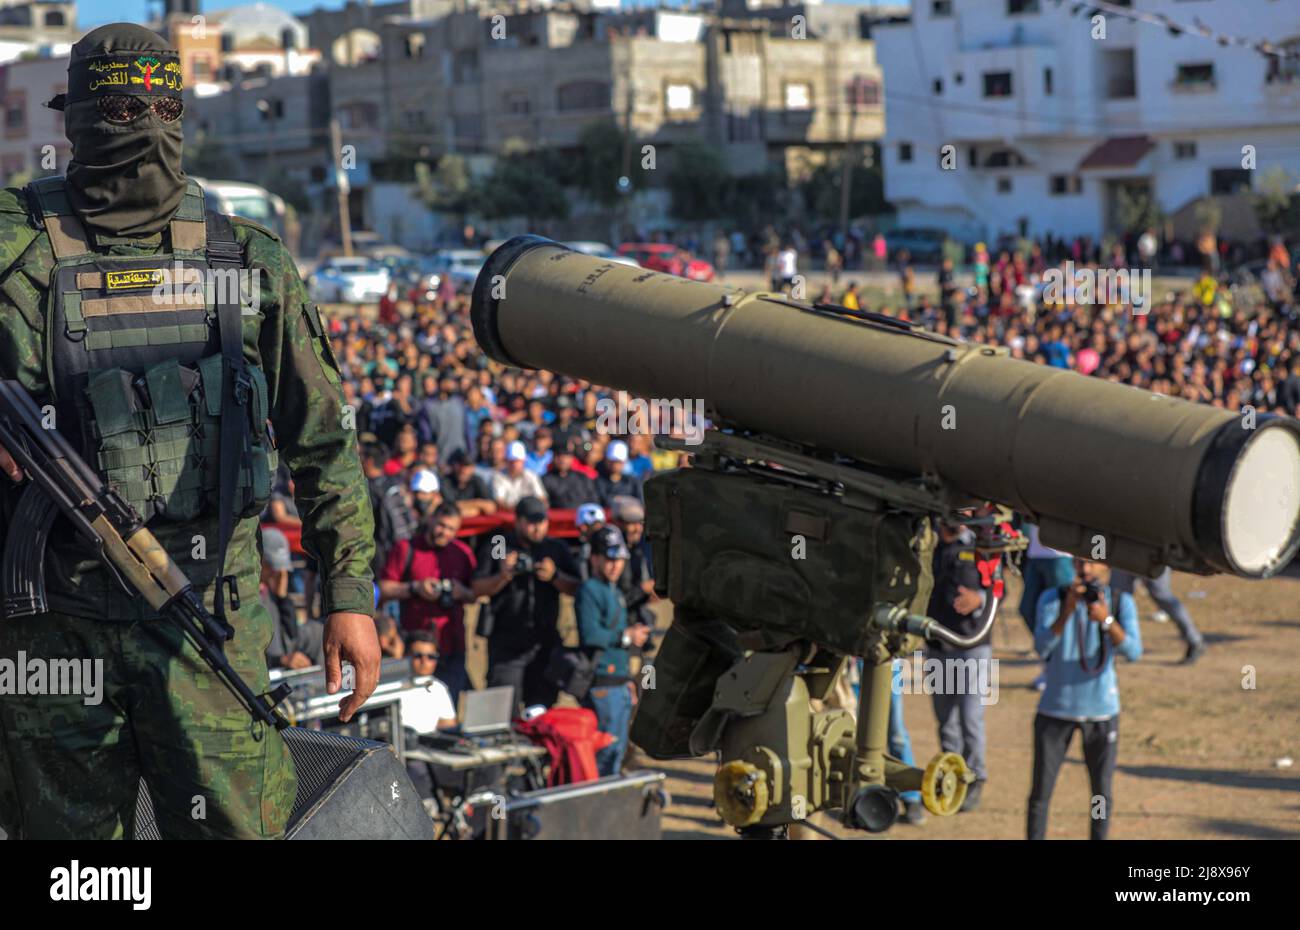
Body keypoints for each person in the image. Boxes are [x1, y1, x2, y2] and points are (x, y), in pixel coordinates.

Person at [0, 24, 379, 840]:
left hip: (207, 616)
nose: (136, 128)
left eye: (153, 109)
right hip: (51, 627)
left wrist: (348, 596)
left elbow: (324, 440)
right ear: (74, 122)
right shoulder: (11, 246)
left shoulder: (246, 259)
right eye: (119, 110)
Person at [1028, 558, 1142, 840]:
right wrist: (1066, 612)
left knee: (1100, 794)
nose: (1086, 570)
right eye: (1079, 563)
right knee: (1041, 792)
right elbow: (1041, 647)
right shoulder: (1052, 597)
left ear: (1108, 567)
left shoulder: (1119, 601)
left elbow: (1133, 651)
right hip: (1056, 708)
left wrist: (1106, 619)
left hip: (1101, 711)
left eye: (1093, 564)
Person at [474, 496, 580, 711]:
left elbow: (578, 588)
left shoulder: (555, 547)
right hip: (506, 644)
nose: (537, 528)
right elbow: (477, 588)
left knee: (541, 711)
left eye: (542, 521)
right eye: (531, 522)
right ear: (518, 521)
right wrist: (503, 575)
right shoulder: (499, 543)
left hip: (544, 643)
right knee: (500, 709)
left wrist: (554, 576)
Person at [378, 502, 482, 705]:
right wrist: (416, 588)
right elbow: (384, 588)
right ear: (432, 520)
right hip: (414, 648)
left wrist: (461, 592)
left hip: (452, 644)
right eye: (441, 525)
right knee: (413, 709)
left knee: (448, 707)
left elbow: (474, 594)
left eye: (452, 529)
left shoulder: (462, 553)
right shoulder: (406, 548)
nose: (445, 532)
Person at [924, 518, 993, 813]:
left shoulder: (981, 547)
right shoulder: (929, 546)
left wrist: (981, 597)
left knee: (970, 718)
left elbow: (1001, 592)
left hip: (972, 647)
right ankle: (953, 770)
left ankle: (975, 777)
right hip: (938, 646)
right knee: (945, 719)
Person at [576, 526, 648, 776]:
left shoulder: (615, 591)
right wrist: (627, 635)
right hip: (602, 683)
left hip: (619, 682)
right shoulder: (589, 590)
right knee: (604, 751)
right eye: (609, 558)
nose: (615, 565)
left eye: (619, 559)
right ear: (594, 558)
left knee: (617, 751)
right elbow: (591, 635)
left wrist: (628, 680)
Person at [1109, 567, 1206, 665]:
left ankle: (1195, 641)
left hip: (1154, 557)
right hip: (1124, 558)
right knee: (1116, 596)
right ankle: (1113, 647)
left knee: (1163, 596)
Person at [262, 527, 325, 671]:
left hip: (281, 653)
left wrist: (282, 596)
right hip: (268, 663)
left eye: (280, 569)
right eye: (272, 567)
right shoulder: (250, 597)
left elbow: (292, 633)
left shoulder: (271, 592)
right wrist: (281, 660)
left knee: (319, 632)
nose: (277, 573)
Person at [441, 448, 497, 517]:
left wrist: (475, 504)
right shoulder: (446, 481)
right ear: (454, 465)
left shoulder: (477, 480)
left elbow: (491, 507)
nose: (463, 470)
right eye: (460, 465)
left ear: (473, 468)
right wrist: (478, 506)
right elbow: (449, 508)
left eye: (467, 466)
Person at [492, 439, 548, 509]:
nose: (514, 464)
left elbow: (542, 499)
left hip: (529, 516)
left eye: (517, 461)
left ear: (523, 461)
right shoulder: (498, 476)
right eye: (511, 461)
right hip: (509, 516)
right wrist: (521, 510)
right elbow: (499, 501)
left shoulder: (531, 476)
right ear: (506, 461)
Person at [543, 439, 598, 509]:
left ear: (572, 458)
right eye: (559, 455)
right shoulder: (545, 480)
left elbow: (594, 501)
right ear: (553, 457)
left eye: (567, 456)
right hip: (557, 518)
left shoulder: (583, 478)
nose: (563, 459)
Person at [596, 439, 643, 507]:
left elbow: (641, 502)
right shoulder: (598, 481)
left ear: (624, 462)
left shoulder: (633, 482)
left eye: (618, 462)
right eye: (612, 461)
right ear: (606, 460)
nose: (615, 465)